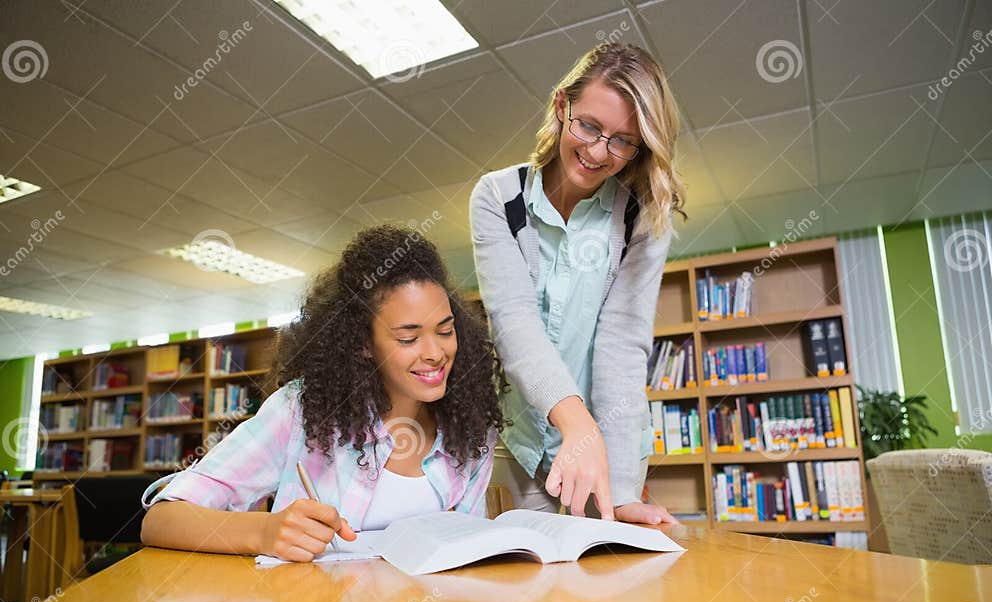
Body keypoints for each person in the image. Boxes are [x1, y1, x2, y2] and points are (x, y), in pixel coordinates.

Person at [141, 226, 505, 562]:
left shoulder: (471, 431)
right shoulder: (300, 412)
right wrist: (265, 531)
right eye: (408, 338)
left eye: (445, 330)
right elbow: (161, 520)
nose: (435, 353)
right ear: (364, 343)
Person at [471, 43, 686, 523]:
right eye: (589, 125)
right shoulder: (498, 197)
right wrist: (575, 423)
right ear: (561, 106)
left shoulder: (642, 216)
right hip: (518, 445)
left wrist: (625, 489)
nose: (597, 151)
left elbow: (621, 346)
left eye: (623, 140)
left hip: (604, 450)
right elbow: (514, 323)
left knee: (605, 586)